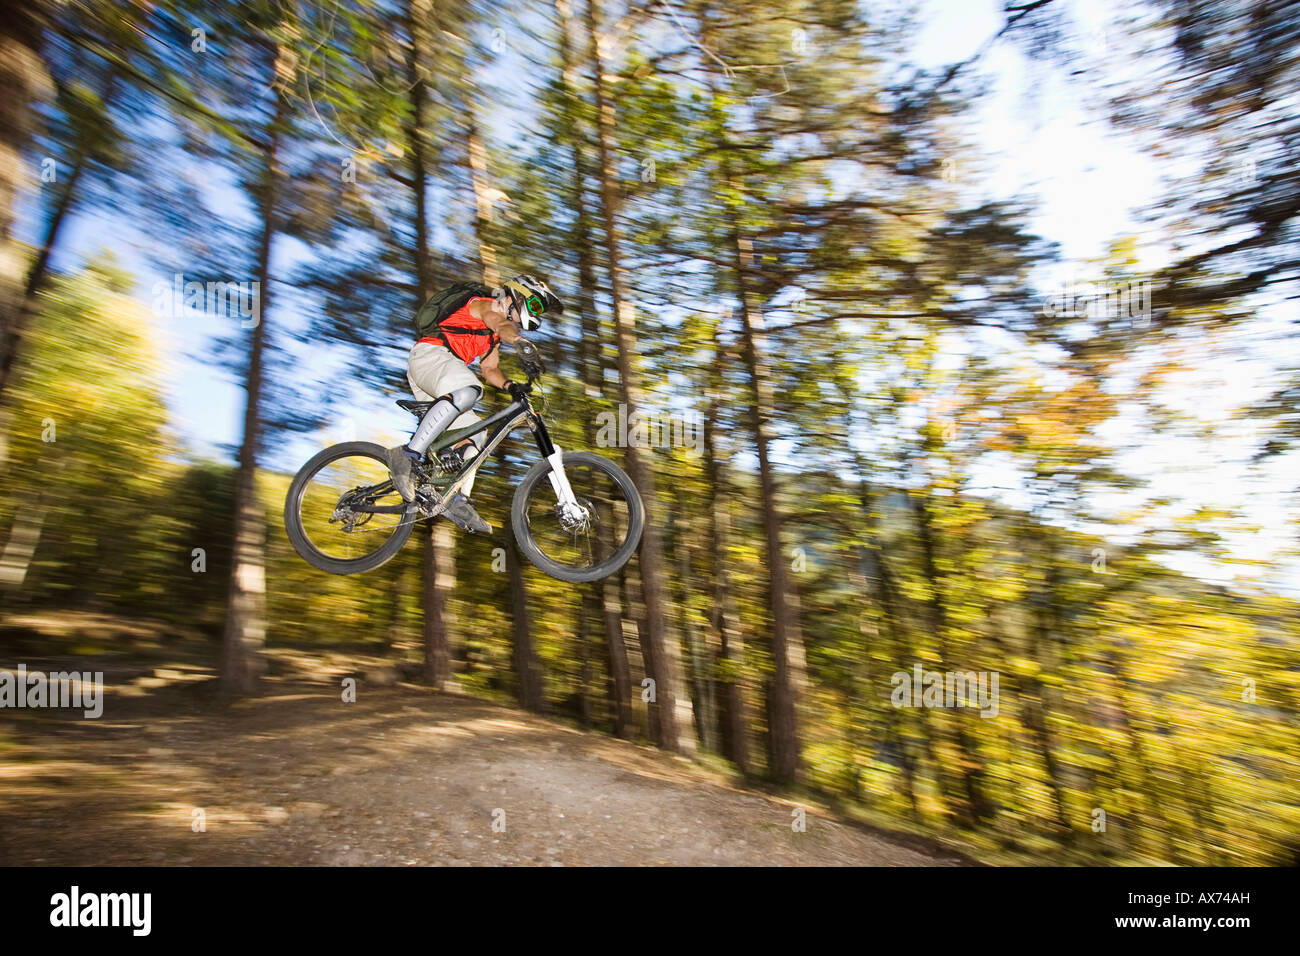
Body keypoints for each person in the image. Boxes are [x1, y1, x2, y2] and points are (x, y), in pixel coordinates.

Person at [385, 274, 563, 534]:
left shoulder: (492, 339)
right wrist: (520, 343)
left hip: (440, 376)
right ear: (517, 295)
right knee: (471, 390)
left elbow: (490, 369)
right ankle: (407, 455)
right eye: (535, 306)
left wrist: (511, 386)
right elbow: (499, 322)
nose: (537, 315)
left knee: (476, 436)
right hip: (430, 357)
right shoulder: (482, 305)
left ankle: (455, 499)